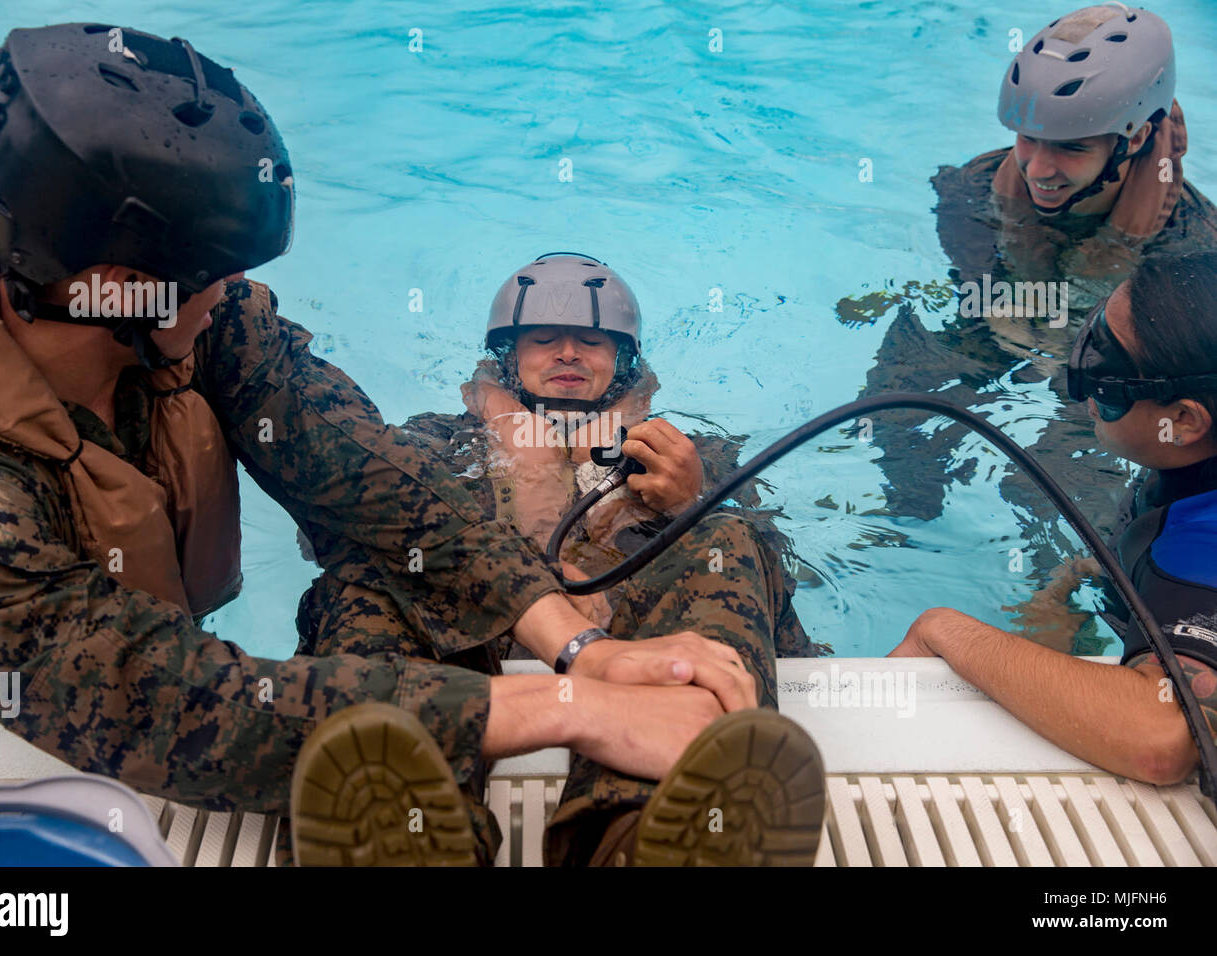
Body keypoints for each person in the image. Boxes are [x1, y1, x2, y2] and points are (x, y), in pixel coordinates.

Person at [0, 24, 826, 867]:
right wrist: (575, 706)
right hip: (15, 714)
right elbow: (166, 706)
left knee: (399, 557)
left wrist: (577, 647)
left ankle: (628, 834)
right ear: (117, 286)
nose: (234, 289)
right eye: (213, 270)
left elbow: (372, 480)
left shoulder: (187, 317)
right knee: (358, 614)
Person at [386, 253, 825, 862]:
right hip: (484, 648)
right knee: (378, 571)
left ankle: (641, 821)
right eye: (544, 338)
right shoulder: (437, 442)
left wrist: (688, 500)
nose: (568, 353)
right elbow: (334, 535)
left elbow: (774, 574)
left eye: (591, 340)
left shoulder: (683, 452)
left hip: (645, 657)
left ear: (623, 360)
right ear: (509, 355)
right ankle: (413, 822)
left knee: (728, 536)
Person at [861, 3, 1217, 603]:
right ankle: (908, 531)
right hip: (1004, 329)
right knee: (902, 377)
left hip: (1120, 374)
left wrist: (1065, 345)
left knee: (1061, 487)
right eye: (1028, 140)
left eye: (1071, 149)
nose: (1037, 169)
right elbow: (973, 288)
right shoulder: (974, 187)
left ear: (1131, 141)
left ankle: (1058, 594)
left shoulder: (1191, 251)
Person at [889, 251, 1217, 785]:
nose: (1081, 389)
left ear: (1182, 420)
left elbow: (1165, 738)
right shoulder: (1187, 477)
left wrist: (945, 631)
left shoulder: (1198, 542)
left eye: (1107, 385)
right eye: (1091, 339)